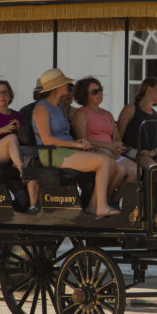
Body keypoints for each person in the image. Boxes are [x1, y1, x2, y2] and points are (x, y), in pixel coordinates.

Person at [30, 68, 119, 218]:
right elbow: (47, 140)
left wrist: (79, 142)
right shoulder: (41, 108)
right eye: (65, 84)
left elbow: (64, 135)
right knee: (104, 162)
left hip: (67, 150)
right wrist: (77, 145)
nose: (68, 87)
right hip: (52, 153)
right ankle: (101, 206)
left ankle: (93, 205)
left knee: (111, 163)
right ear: (56, 87)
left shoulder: (58, 107)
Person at [71, 77, 138, 202]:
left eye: (100, 90)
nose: (100, 94)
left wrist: (118, 145)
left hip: (111, 152)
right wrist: (106, 146)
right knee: (121, 170)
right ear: (84, 95)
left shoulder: (107, 114)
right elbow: (82, 139)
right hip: (94, 151)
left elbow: (117, 137)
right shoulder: (81, 113)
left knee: (136, 171)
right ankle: (101, 201)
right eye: (95, 92)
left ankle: (113, 201)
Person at [0, 79, 38, 212]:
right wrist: (3, 130)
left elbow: (25, 139)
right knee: (11, 138)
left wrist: (21, 129)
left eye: (5, 92)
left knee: (33, 163)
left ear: (10, 96)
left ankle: (32, 206)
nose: (2, 95)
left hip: (13, 155)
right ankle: (22, 170)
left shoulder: (17, 115)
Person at [118, 77, 157, 172]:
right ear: (149, 89)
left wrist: (152, 153)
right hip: (135, 153)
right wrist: (131, 151)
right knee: (150, 166)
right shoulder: (130, 109)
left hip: (154, 153)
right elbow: (118, 137)